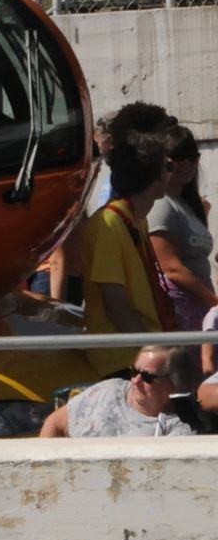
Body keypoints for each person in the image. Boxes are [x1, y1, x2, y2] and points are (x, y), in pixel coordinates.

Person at [75, 131, 173, 370]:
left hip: (140, 352)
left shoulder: (136, 219)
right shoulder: (109, 224)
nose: (171, 172)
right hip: (121, 361)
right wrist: (152, 350)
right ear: (154, 176)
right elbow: (116, 305)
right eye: (167, 166)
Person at [41, 345, 197, 437]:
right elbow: (54, 423)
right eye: (134, 372)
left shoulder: (180, 427)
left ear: (173, 383)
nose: (135, 381)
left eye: (147, 377)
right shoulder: (109, 389)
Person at [147, 126, 215, 333]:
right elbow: (171, 268)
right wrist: (213, 302)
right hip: (180, 303)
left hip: (200, 300)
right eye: (178, 156)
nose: (186, 163)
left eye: (192, 157)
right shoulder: (162, 204)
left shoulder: (188, 204)